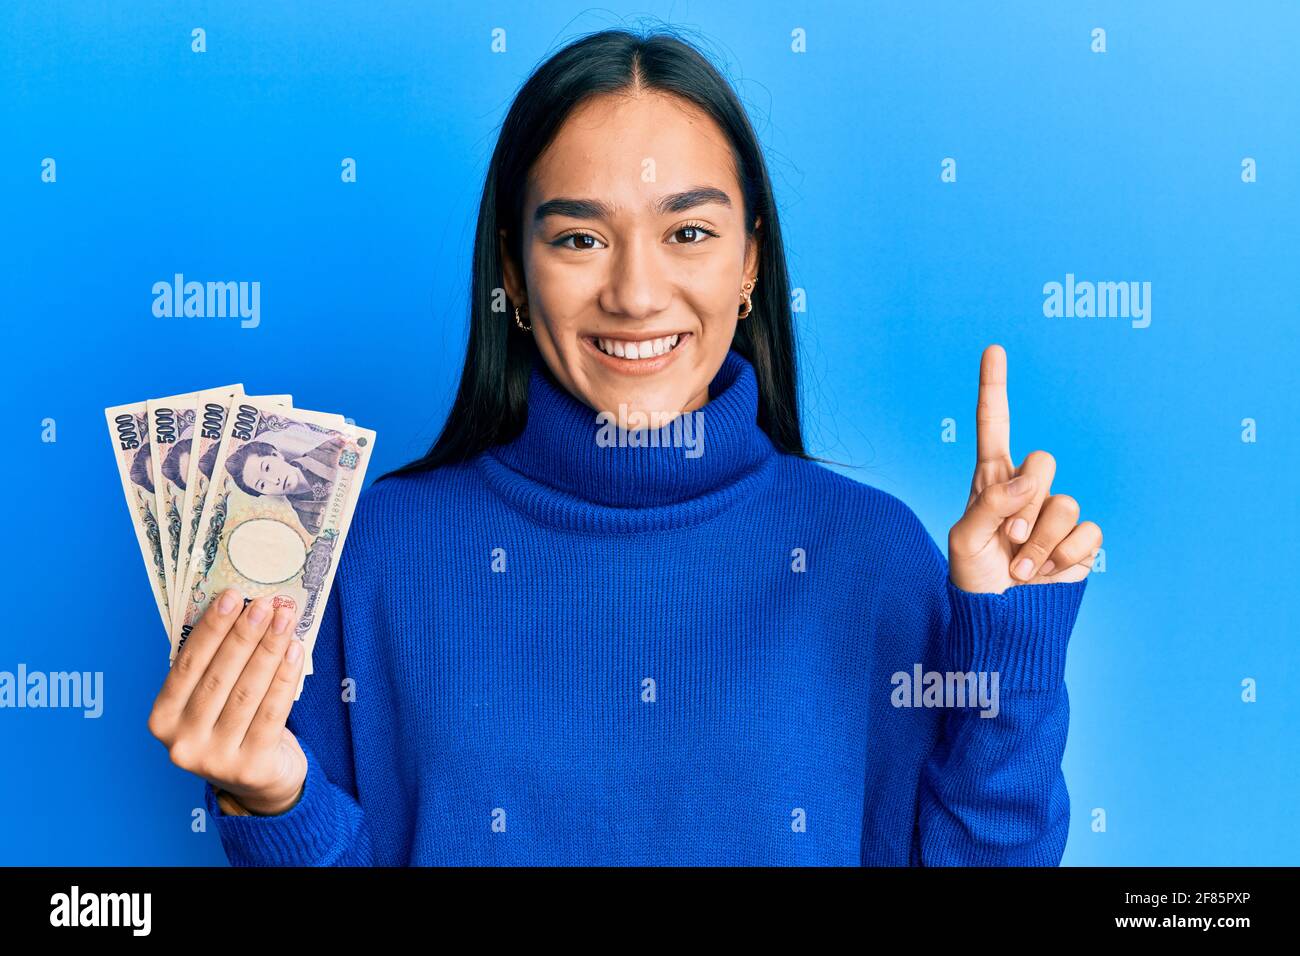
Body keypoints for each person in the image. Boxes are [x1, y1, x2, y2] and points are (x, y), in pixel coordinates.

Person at [147, 28, 1101, 866]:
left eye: (687, 230)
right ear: (514, 279)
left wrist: (1007, 651)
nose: (637, 295)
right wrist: (274, 803)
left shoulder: (872, 556)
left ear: (750, 264)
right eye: (578, 241)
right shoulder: (365, 559)